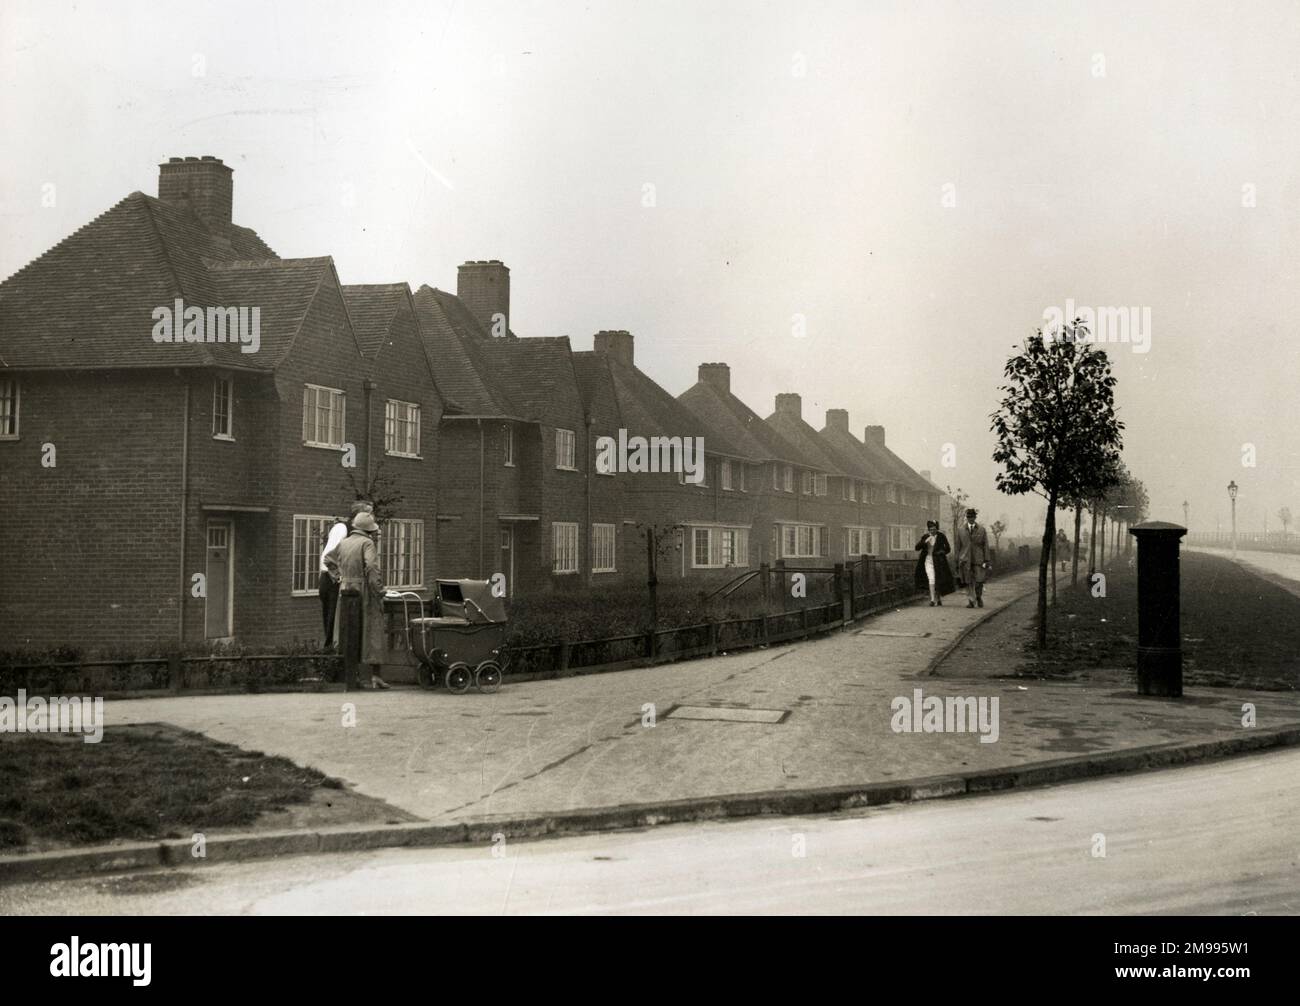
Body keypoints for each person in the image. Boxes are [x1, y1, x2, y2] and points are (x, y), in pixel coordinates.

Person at [324, 510, 391, 690]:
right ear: (369, 531)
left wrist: (340, 577)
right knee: (372, 630)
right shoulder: (367, 543)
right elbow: (371, 567)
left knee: (347, 632)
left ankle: (351, 675)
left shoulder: (344, 542)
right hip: (363, 592)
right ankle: (375, 676)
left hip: (345, 591)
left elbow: (328, 559)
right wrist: (378, 590)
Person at [318, 516, 349, 649]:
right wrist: (338, 576)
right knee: (333, 620)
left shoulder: (342, 528)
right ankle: (331, 651)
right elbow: (329, 557)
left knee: (332, 618)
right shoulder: (343, 529)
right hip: (331, 579)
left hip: (329, 578)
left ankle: (331, 649)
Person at [956, 507, 990, 608]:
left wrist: (987, 559)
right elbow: (958, 546)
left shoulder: (981, 530)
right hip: (965, 559)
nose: (970, 518)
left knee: (979, 580)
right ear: (966, 517)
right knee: (968, 581)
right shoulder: (961, 530)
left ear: (975, 517)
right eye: (969, 517)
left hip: (978, 559)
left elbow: (985, 545)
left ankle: (978, 597)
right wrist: (957, 560)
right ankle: (971, 600)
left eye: (972, 517)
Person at [914, 520, 954, 606]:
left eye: (934, 529)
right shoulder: (925, 537)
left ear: (937, 529)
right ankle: (932, 600)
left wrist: (941, 552)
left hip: (939, 561)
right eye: (931, 529)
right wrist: (924, 542)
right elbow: (917, 548)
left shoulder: (941, 536)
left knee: (938, 579)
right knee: (931, 578)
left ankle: (938, 598)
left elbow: (948, 549)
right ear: (928, 530)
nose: (933, 531)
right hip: (928, 560)